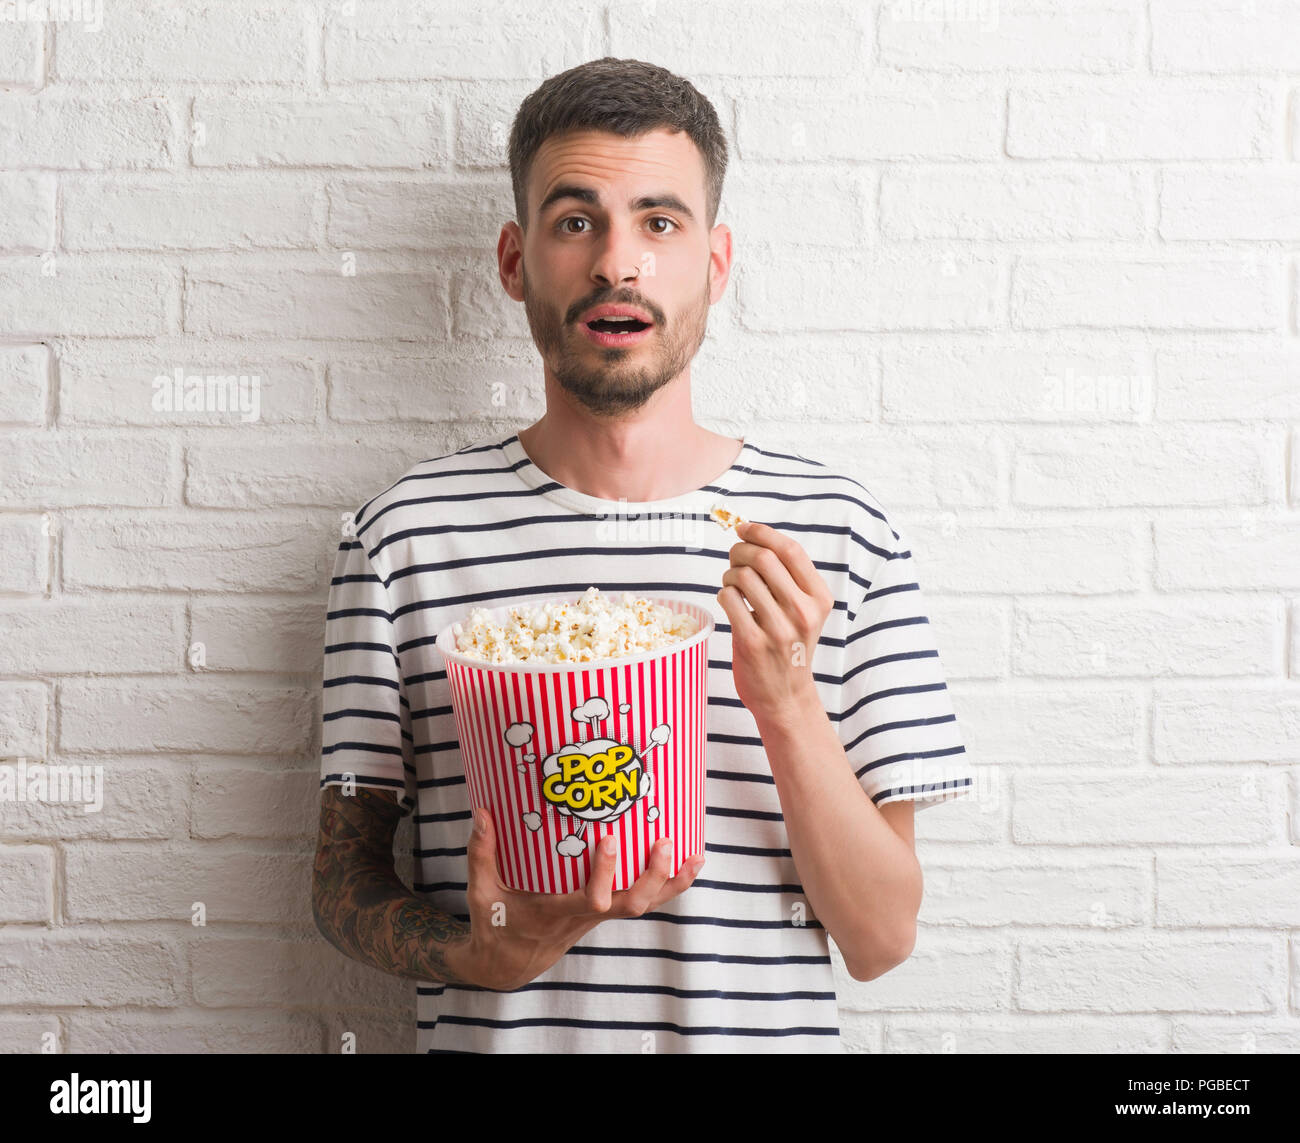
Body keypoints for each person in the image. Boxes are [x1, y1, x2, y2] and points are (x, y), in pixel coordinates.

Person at [311, 56, 975, 1053]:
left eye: (658, 223)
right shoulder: (402, 539)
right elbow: (343, 886)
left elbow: (880, 939)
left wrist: (787, 695)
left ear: (713, 262)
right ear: (512, 260)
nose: (617, 263)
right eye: (574, 221)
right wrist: (479, 954)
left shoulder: (837, 535)